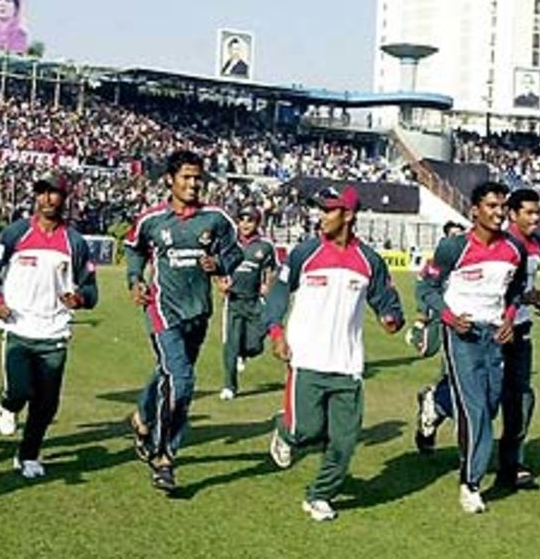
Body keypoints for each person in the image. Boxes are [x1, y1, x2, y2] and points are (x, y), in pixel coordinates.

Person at [265, 186, 404, 521]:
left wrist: (392, 319)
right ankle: (284, 430)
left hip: (348, 365)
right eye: (320, 210)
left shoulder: (369, 260)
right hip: (306, 360)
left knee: (344, 440)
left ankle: (320, 495)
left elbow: (386, 301)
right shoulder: (304, 253)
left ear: (348, 215)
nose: (321, 217)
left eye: (328, 211)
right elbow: (278, 293)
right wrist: (277, 332)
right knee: (306, 431)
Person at [124, 150, 242, 494]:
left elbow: (235, 251)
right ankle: (164, 457)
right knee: (182, 380)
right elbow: (134, 249)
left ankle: (142, 419)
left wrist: (219, 264)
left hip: (198, 312)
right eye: (186, 177)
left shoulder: (216, 219)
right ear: (170, 180)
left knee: (167, 374)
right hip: (162, 310)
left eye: (197, 178)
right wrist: (135, 280)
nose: (193, 184)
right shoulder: (152, 220)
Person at [416, 181, 525, 513]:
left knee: (490, 405)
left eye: (503, 206)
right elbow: (426, 288)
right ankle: (471, 484)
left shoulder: (514, 250)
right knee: (476, 412)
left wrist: (508, 319)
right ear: (474, 210)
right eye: (491, 206)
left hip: (494, 337)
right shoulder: (453, 248)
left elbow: (515, 291)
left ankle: (435, 403)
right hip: (461, 334)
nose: (499, 213)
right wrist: (448, 317)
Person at [0, 172, 98, 479]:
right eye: (42, 192)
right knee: (19, 390)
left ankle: (29, 454)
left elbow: (91, 289)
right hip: (18, 327)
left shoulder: (75, 242)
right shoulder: (14, 234)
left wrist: (80, 299)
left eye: (54, 193)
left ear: (64, 197)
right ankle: (7, 402)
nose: (47, 199)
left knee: (46, 403)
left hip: (54, 332)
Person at [496, 189, 540, 490]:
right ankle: (434, 406)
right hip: (491, 329)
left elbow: (526, 285)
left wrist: (534, 300)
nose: (535, 218)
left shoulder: (537, 244)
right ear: (512, 214)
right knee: (482, 397)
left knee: (521, 397)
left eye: (537, 212)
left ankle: (512, 464)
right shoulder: (500, 244)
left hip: (522, 328)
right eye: (528, 212)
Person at [217, 205, 277, 400]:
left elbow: (272, 268)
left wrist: (267, 285)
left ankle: (246, 352)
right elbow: (216, 267)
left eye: (250, 220)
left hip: (254, 301)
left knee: (255, 344)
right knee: (230, 346)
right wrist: (220, 282)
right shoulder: (229, 243)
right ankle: (229, 386)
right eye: (242, 219)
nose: (245, 224)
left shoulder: (265, 246)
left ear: (257, 222)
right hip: (233, 301)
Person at [406, 221, 465, 359]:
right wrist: (423, 308)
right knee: (429, 349)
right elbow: (425, 285)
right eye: (453, 234)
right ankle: (416, 334)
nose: (456, 238)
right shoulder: (440, 259)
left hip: (460, 307)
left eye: (459, 235)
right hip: (441, 307)